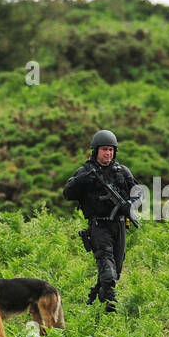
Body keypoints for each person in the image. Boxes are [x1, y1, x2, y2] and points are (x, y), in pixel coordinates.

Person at [62, 129, 138, 313]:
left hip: (119, 225)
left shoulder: (121, 172)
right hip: (99, 226)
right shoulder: (86, 171)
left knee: (116, 269)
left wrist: (130, 204)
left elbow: (138, 192)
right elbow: (67, 193)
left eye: (111, 150)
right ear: (96, 151)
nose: (108, 154)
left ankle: (97, 297)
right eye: (104, 149)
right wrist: (83, 180)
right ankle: (111, 306)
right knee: (106, 264)